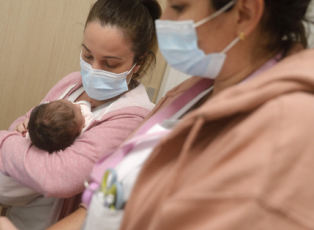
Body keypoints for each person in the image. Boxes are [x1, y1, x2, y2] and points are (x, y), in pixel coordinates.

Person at [43, 0, 314, 229]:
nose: (165, 23)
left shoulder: (287, 131)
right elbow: (96, 208)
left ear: (244, 14)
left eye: (179, 8)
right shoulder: (197, 90)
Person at [0, 0, 161, 229]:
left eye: (110, 64)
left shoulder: (131, 119)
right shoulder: (72, 83)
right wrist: (14, 142)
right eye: (87, 55)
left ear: (138, 62)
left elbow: (55, 176)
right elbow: (23, 123)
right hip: (16, 218)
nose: (94, 69)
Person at [24, 99, 94, 153]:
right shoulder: (87, 124)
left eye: (71, 102)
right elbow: (85, 106)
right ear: (79, 131)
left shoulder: (34, 134)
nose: (78, 105)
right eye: (80, 111)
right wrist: (87, 104)